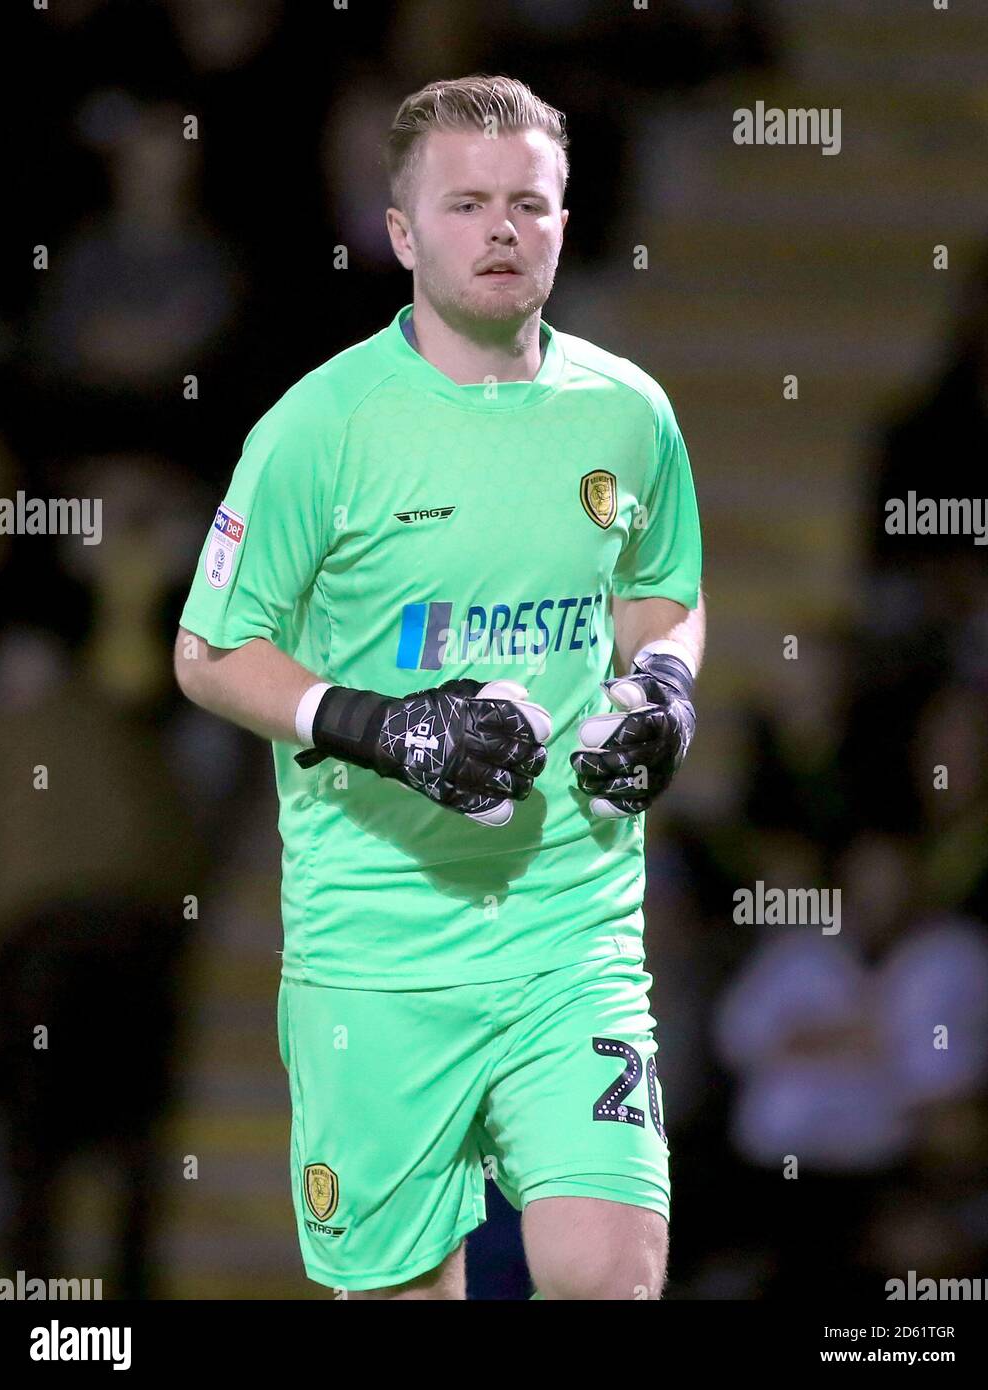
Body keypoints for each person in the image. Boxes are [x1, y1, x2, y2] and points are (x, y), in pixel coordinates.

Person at [174, 74, 704, 1300]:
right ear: (402, 234)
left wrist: (665, 685)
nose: (503, 229)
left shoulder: (629, 415)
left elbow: (662, 589)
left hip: (568, 936)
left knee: (608, 1273)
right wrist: (375, 725)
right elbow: (207, 650)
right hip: (373, 954)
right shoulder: (318, 427)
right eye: (465, 205)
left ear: (567, 221)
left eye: (529, 202)